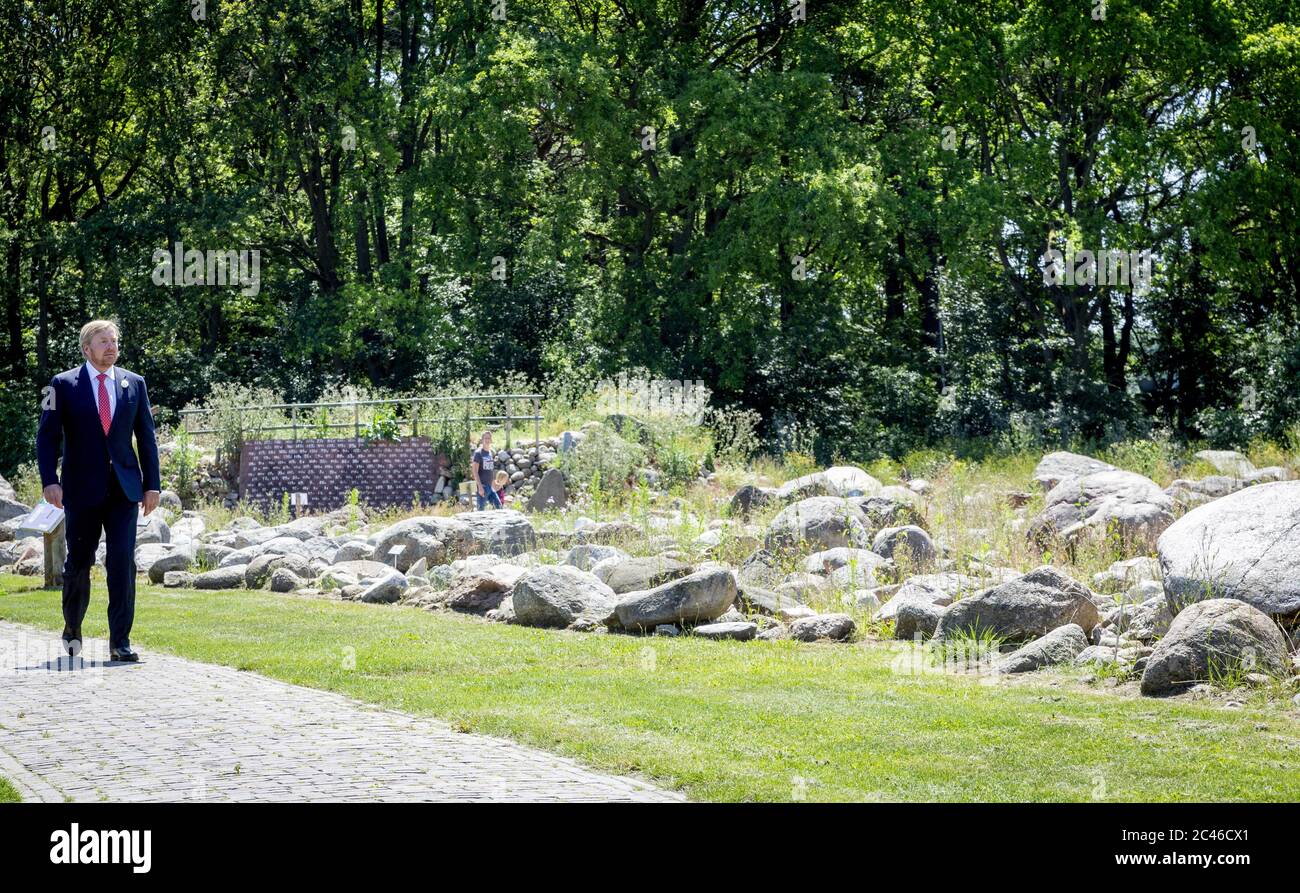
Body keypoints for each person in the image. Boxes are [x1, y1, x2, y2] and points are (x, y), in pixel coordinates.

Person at [35, 320, 161, 662]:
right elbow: (47, 438)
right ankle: (73, 627)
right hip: (80, 489)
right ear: (86, 349)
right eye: (103, 341)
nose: (111, 347)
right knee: (79, 563)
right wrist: (49, 480)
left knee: (122, 562)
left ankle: (120, 641)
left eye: (114, 341)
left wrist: (152, 485)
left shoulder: (134, 384)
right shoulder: (60, 385)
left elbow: (146, 437)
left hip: (124, 490)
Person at [470, 431, 501, 511]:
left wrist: (494, 483)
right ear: (482, 440)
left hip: (490, 487)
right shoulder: (478, 453)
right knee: (480, 511)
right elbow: (474, 471)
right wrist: (480, 487)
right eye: (486, 438)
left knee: (499, 506)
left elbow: (490, 470)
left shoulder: (490, 453)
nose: (487, 440)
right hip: (482, 487)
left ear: (491, 440)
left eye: (489, 438)